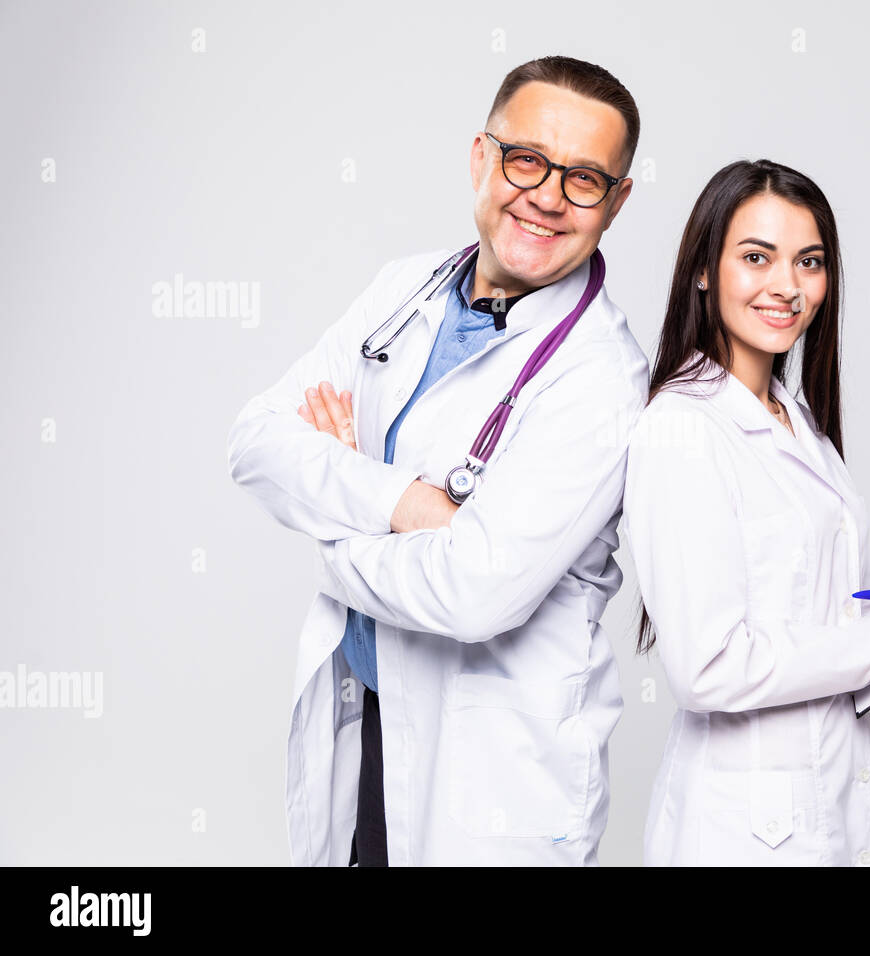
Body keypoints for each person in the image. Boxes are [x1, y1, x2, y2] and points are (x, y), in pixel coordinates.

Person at [226, 56, 648, 866]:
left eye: (585, 178)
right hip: (368, 722)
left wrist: (329, 527)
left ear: (617, 201)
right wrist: (409, 506)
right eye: (527, 159)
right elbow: (256, 440)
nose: (548, 195)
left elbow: (476, 594)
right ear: (481, 156)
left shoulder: (604, 379)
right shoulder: (403, 289)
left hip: (492, 777)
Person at [623, 159, 870, 866]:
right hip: (742, 834)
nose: (788, 287)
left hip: (838, 810)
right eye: (757, 258)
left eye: (809, 262)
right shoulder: (683, 427)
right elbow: (707, 667)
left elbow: (836, 626)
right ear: (702, 270)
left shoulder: (797, 418)